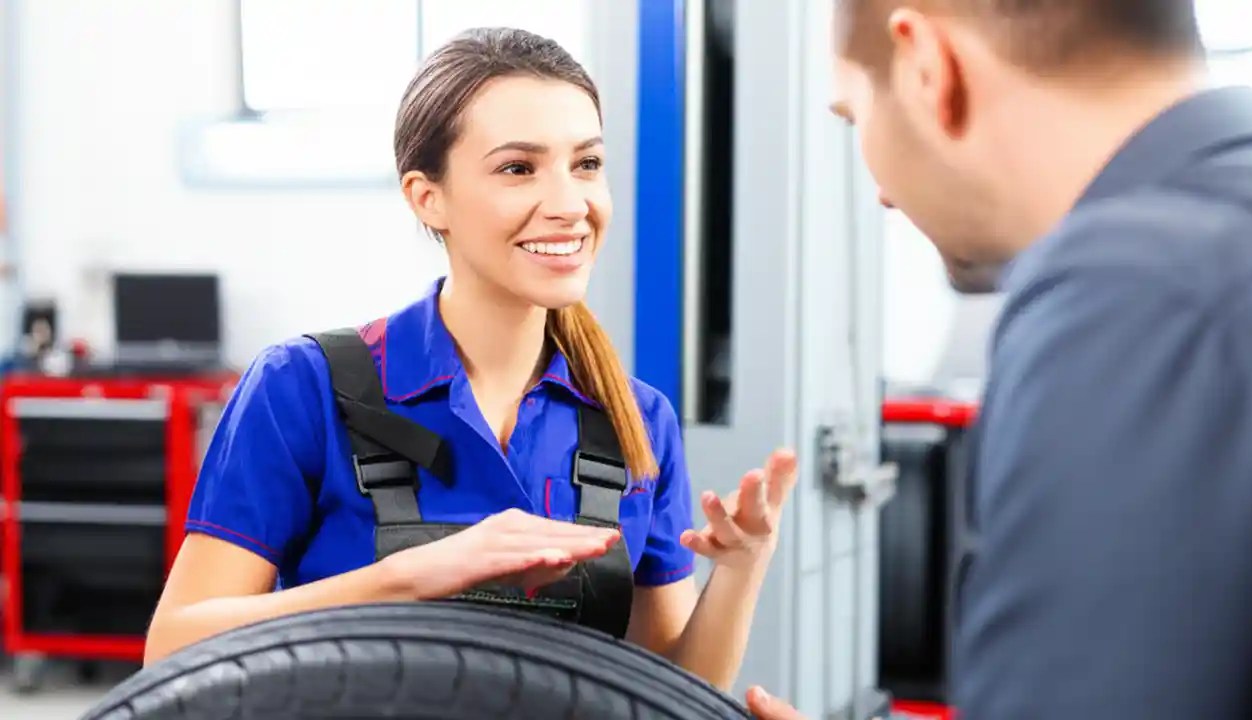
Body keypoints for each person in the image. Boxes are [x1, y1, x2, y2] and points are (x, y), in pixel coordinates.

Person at [145, 27, 796, 693]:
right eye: (519, 168)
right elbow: (172, 652)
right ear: (428, 197)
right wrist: (404, 579)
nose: (570, 205)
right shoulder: (304, 387)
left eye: (587, 164)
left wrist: (742, 568)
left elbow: (668, 691)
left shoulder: (636, 419)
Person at [749, 0, 1252, 718]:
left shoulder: (1135, 282)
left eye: (855, 115)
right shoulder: (1242, 229)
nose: (878, 192)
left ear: (928, 65)